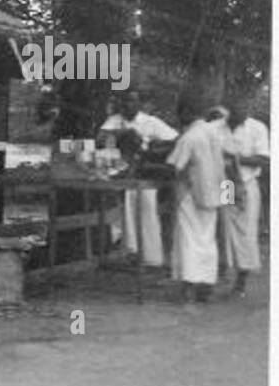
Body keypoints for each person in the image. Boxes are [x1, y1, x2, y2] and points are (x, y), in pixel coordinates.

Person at [97, 92, 178, 266]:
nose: (128, 105)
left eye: (132, 101)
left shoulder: (151, 121)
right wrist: (124, 133)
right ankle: (131, 253)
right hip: (121, 175)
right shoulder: (115, 120)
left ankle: (151, 257)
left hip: (146, 174)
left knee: (147, 211)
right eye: (124, 101)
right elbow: (101, 138)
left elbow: (175, 140)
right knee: (125, 214)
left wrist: (151, 149)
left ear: (139, 103)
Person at [166, 104, 227, 304]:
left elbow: (176, 167)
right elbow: (229, 164)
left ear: (185, 113)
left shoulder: (189, 137)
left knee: (189, 239)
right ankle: (206, 287)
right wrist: (228, 197)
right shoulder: (216, 134)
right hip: (214, 195)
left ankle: (188, 290)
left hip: (191, 194)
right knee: (207, 240)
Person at [220, 102, 270, 297]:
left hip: (247, 183)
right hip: (227, 185)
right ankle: (223, 274)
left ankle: (241, 282)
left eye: (242, 109)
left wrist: (235, 159)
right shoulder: (219, 127)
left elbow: (265, 160)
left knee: (246, 232)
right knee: (225, 228)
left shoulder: (257, 128)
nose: (237, 113)